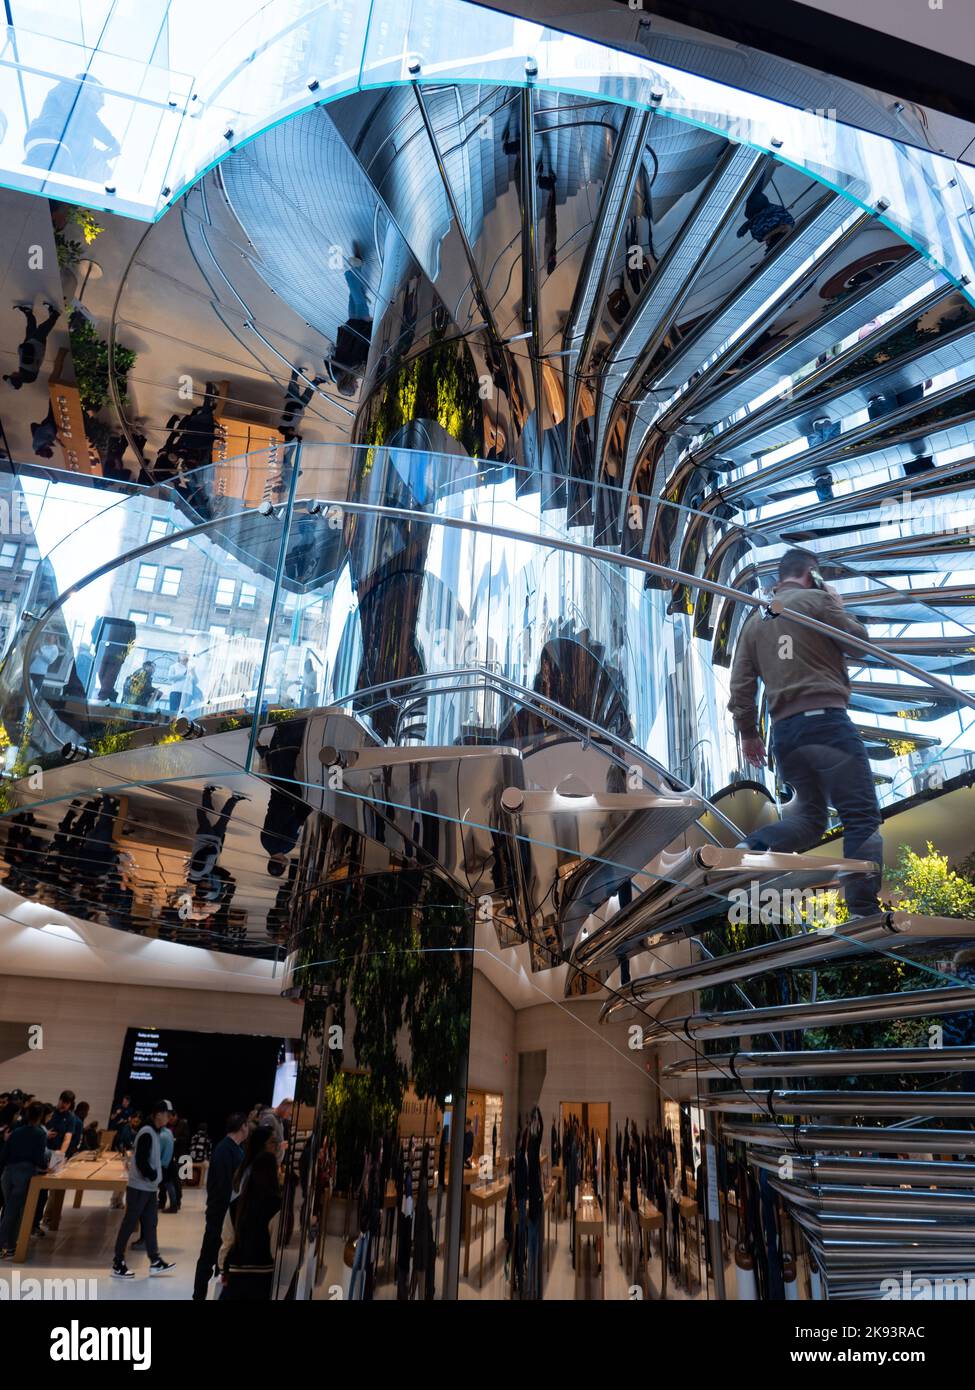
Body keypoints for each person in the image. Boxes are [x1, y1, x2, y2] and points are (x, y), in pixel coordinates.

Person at [728, 547, 883, 916]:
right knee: (861, 815)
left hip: (786, 735)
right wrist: (835, 602)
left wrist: (749, 733)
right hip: (828, 724)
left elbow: (741, 685)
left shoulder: (755, 623)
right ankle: (862, 906)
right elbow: (860, 645)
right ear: (812, 573)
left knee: (811, 820)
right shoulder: (817, 601)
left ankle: (753, 846)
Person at [111, 1100, 176, 1279]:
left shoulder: (155, 1132)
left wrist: (154, 1178)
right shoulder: (147, 1132)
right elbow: (140, 1161)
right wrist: (153, 1175)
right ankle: (118, 1262)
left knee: (150, 1223)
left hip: (148, 1188)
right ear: (158, 1114)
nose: (169, 1117)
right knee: (130, 1223)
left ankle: (155, 1260)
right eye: (167, 1114)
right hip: (140, 1186)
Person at [220, 1128, 281, 1300]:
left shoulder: (236, 1205)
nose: (276, 1147)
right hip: (262, 1278)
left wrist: (224, 1269)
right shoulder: (276, 1206)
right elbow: (275, 1249)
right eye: (272, 1143)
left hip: (236, 1277)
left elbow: (227, 1241)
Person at [192, 1112, 248, 1300]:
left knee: (217, 1258)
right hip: (220, 1214)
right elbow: (223, 1187)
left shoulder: (233, 1148)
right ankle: (198, 1296)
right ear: (242, 1127)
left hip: (225, 1213)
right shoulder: (226, 1150)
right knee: (209, 1256)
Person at [0, 1101, 50, 1257]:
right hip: (24, 1174)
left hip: (8, 1173)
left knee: (11, 1209)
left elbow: (4, 1154)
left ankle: (10, 1244)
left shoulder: (16, 1131)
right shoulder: (40, 1134)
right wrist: (45, 1167)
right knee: (13, 1211)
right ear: (40, 1116)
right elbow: (39, 1158)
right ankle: (3, 1244)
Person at [3, 302, 60, 389]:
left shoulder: (28, 377)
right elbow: (28, 349)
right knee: (43, 328)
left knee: (30, 328)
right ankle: (54, 314)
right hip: (36, 344)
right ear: (16, 377)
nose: (11, 373)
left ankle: (28, 311)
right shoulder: (26, 368)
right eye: (11, 376)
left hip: (37, 348)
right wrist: (20, 348)